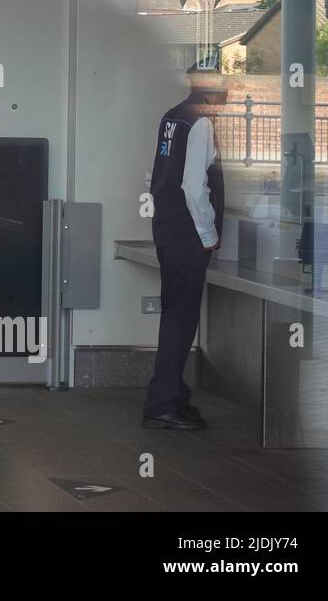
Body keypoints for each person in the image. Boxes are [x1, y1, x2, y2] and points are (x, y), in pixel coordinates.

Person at [142, 64, 226, 430]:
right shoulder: (201, 122)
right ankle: (162, 404)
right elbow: (194, 186)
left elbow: (159, 173)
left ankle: (173, 395)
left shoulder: (173, 116)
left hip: (167, 227)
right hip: (188, 234)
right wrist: (209, 235)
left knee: (174, 313)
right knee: (181, 317)